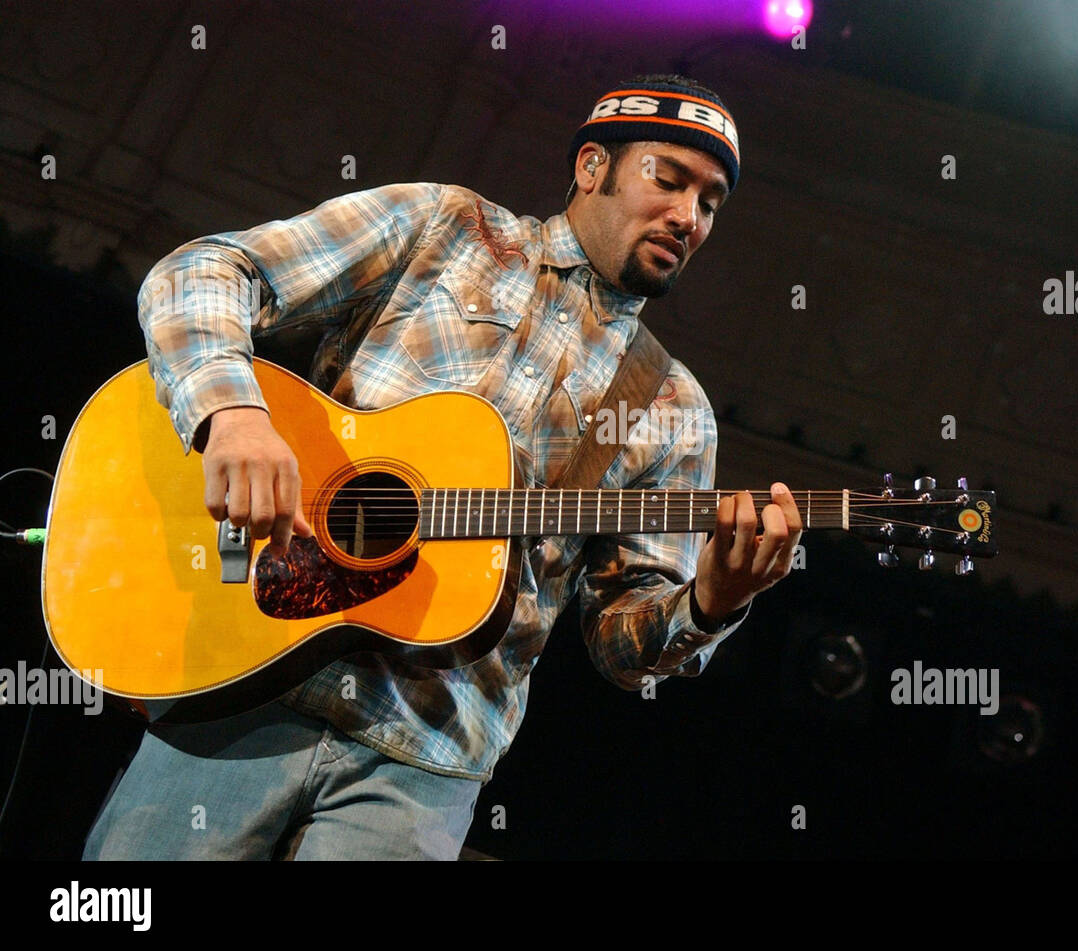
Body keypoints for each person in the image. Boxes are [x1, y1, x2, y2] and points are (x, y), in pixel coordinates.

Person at [83, 74, 803, 860]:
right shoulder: (445, 226)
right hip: (249, 679)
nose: (688, 218)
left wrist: (711, 600)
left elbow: (621, 645)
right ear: (593, 166)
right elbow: (202, 273)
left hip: (427, 759)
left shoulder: (672, 405)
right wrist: (234, 415)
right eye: (669, 179)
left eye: (710, 204)